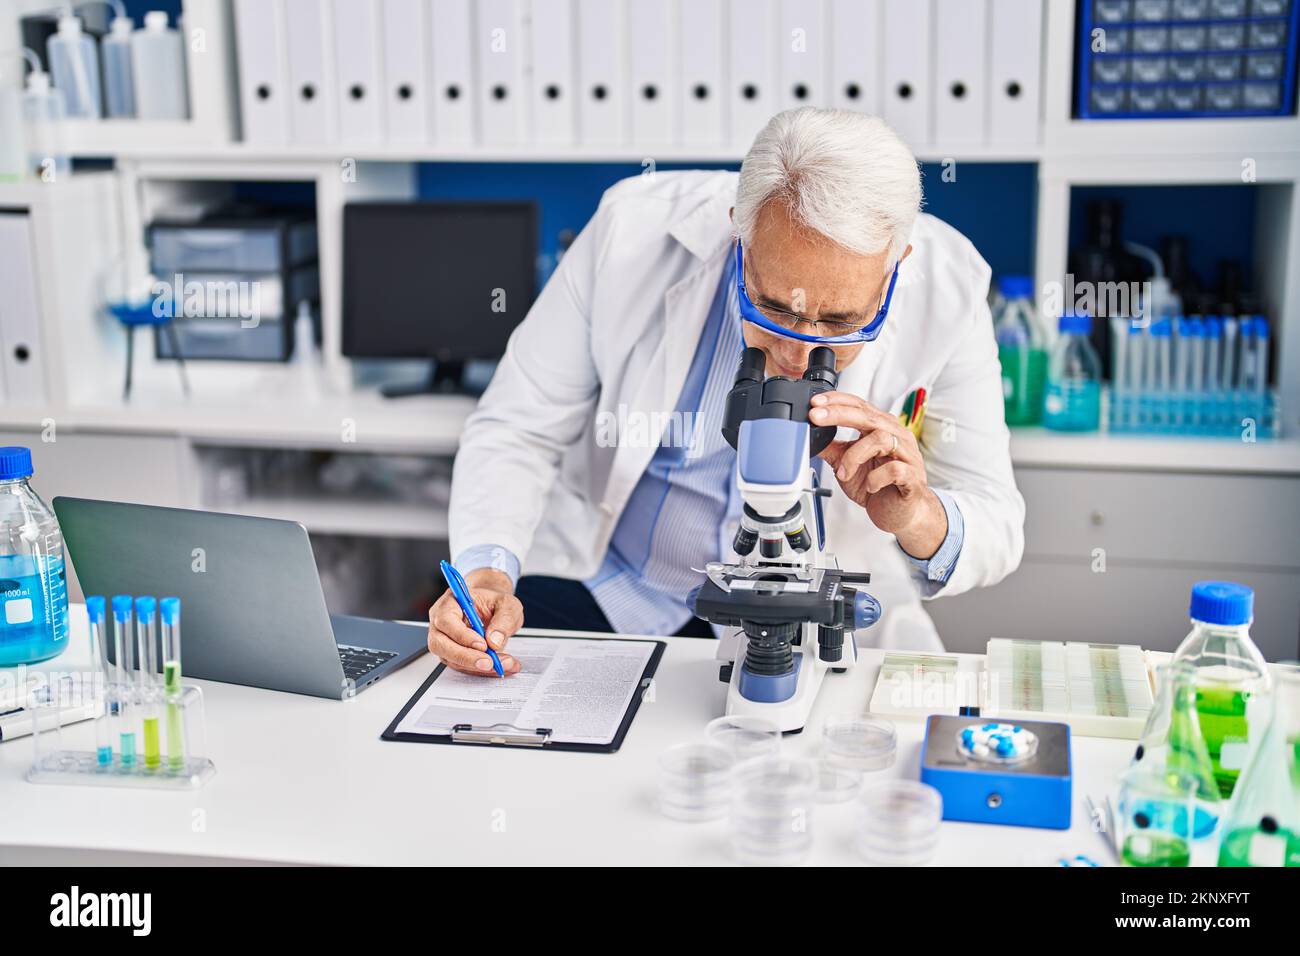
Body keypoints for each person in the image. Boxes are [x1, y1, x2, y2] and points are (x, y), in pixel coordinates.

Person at [428, 108, 1025, 676]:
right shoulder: (628, 231)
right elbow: (516, 427)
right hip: (618, 590)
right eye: (770, 307)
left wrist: (918, 514)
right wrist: (487, 574)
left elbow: (996, 519)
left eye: (841, 323)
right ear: (738, 235)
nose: (795, 355)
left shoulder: (951, 291)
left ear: (897, 268)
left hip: (817, 621)